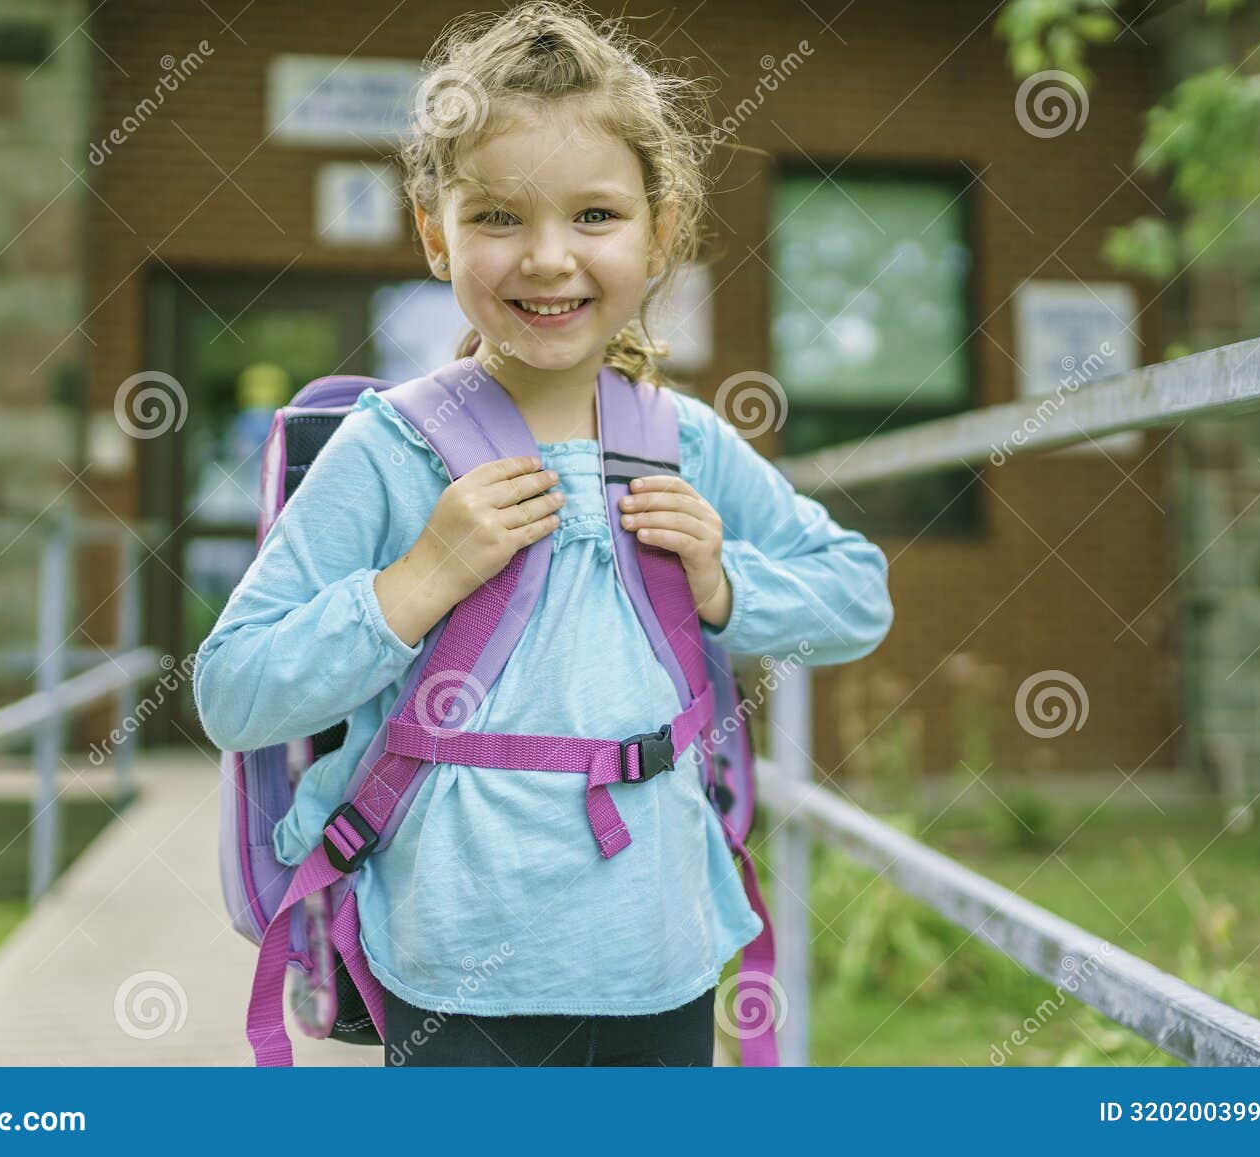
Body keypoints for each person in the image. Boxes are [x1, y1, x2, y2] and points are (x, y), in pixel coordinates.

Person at [192, 0, 893, 1067]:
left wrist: (723, 580)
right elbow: (232, 690)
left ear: (660, 232)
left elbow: (857, 594)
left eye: (596, 216)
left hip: (658, 958)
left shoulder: (683, 442)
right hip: (448, 969)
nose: (548, 258)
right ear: (436, 234)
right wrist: (416, 580)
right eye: (498, 218)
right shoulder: (391, 451)